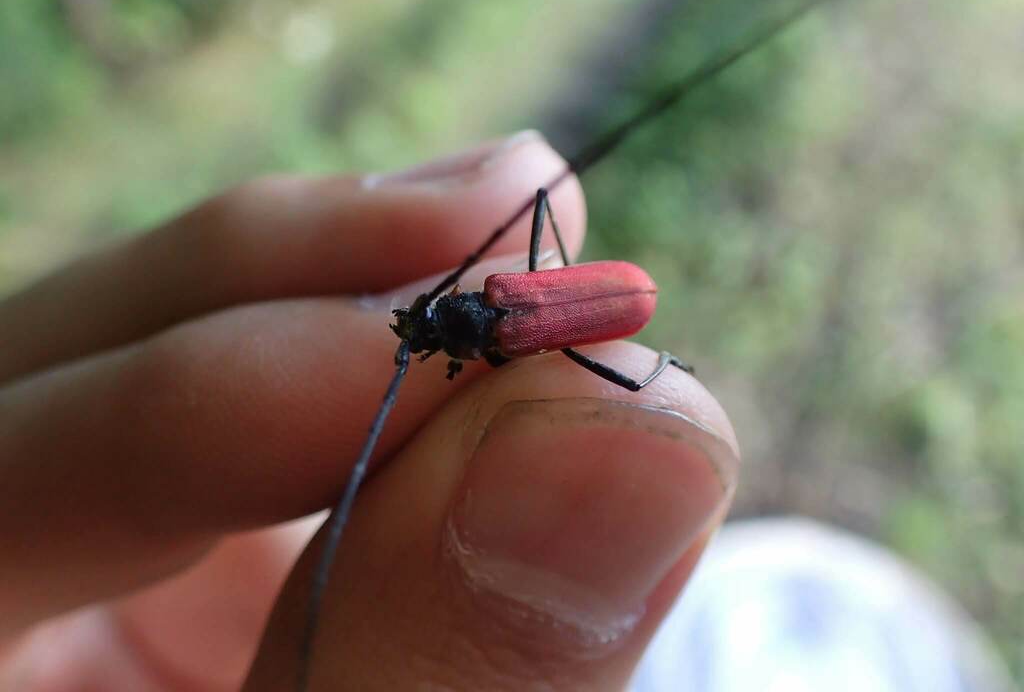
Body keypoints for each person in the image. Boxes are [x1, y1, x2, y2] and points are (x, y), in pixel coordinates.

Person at [1, 134, 1012, 691]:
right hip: (580, 302)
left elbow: (465, 345)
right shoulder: (485, 310)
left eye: (424, 333)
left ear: (450, 331)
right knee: (586, 366)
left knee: (610, 388)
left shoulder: (492, 333)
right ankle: (664, 374)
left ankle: (664, 375)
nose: (418, 335)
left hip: (602, 305)